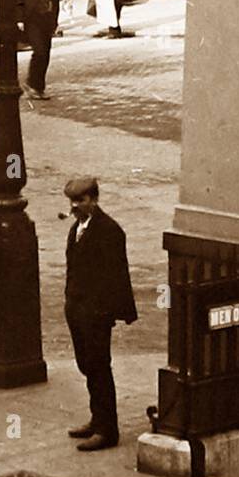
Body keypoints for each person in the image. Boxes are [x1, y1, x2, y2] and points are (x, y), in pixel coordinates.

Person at [63, 176, 137, 451]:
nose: (75, 206)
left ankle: (107, 429)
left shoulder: (109, 231)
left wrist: (105, 312)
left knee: (99, 367)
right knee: (87, 365)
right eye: (72, 201)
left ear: (94, 200)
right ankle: (97, 418)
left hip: (95, 313)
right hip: (77, 309)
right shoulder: (76, 229)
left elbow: (115, 276)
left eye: (80, 200)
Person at [17, 0, 60, 100]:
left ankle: (39, 87)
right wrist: (20, 19)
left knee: (46, 53)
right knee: (39, 51)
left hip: (46, 18)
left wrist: (55, 20)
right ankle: (31, 83)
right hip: (31, 18)